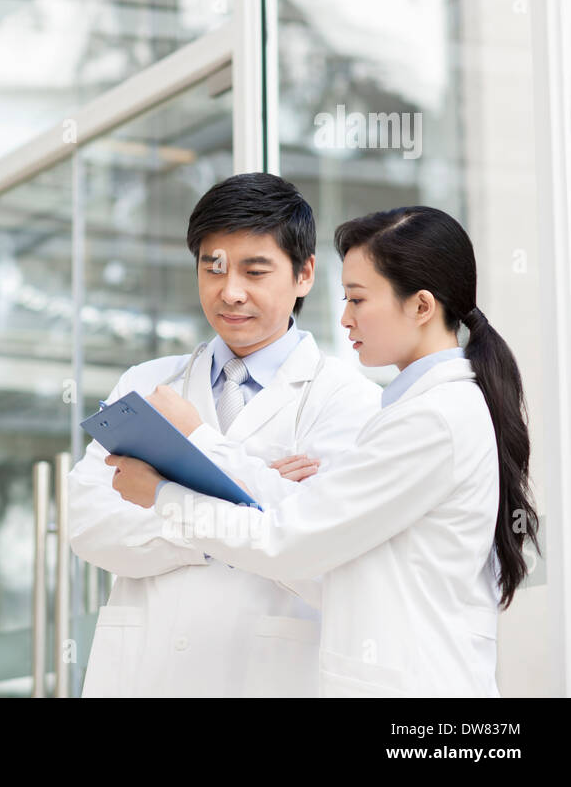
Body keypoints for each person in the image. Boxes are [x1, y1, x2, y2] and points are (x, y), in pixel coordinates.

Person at [118, 205, 541, 696]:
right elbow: (308, 520)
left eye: (358, 300)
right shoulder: (421, 410)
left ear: (421, 306)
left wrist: (165, 491)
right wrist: (218, 457)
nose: (344, 318)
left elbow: (289, 541)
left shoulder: (433, 420)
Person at [69, 173, 381, 697]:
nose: (230, 291)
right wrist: (248, 513)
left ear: (304, 274)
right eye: (213, 267)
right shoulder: (146, 383)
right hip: (145, 675)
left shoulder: (349, 403)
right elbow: (87, 522)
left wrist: (161, 497)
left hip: (266, 676)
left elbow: (324, 556)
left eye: (255, 271)